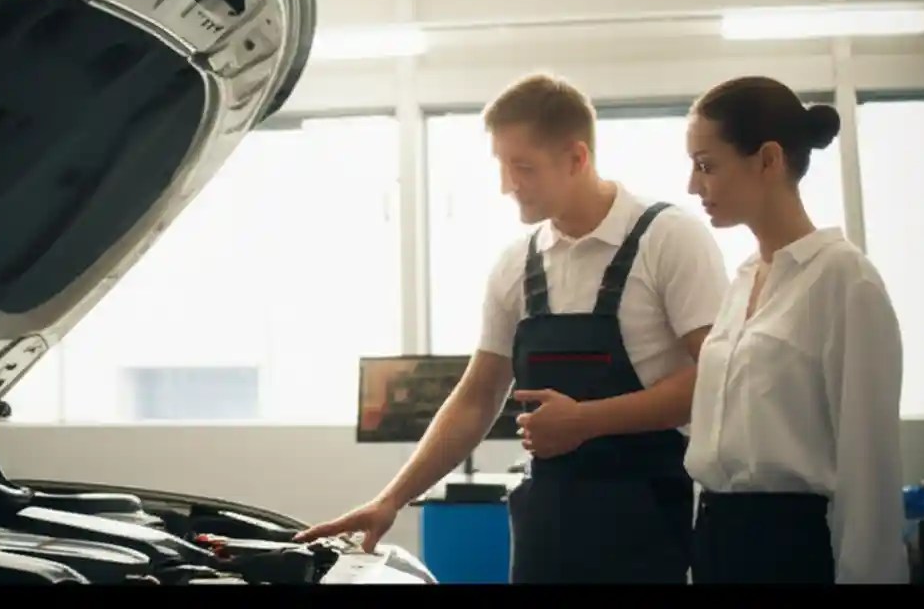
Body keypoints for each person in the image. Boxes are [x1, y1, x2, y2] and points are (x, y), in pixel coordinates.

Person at [293, 73, 729, 584]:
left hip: (644, 520)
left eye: (522, 167)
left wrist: (586, 420)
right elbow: (477, 397)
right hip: (546, 524)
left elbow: (715, 378)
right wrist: (391, 500)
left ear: (576, 158)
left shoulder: (670, 239)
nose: (506, 185)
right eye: (501, 166)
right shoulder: (515, 265)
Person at [682, 76, 909, 584]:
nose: (693, 186)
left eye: (705, 165)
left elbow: (868, 466)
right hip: (717, 538)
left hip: (790, 548)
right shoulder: (741, 281)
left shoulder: (844, 279)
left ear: (767, 159)